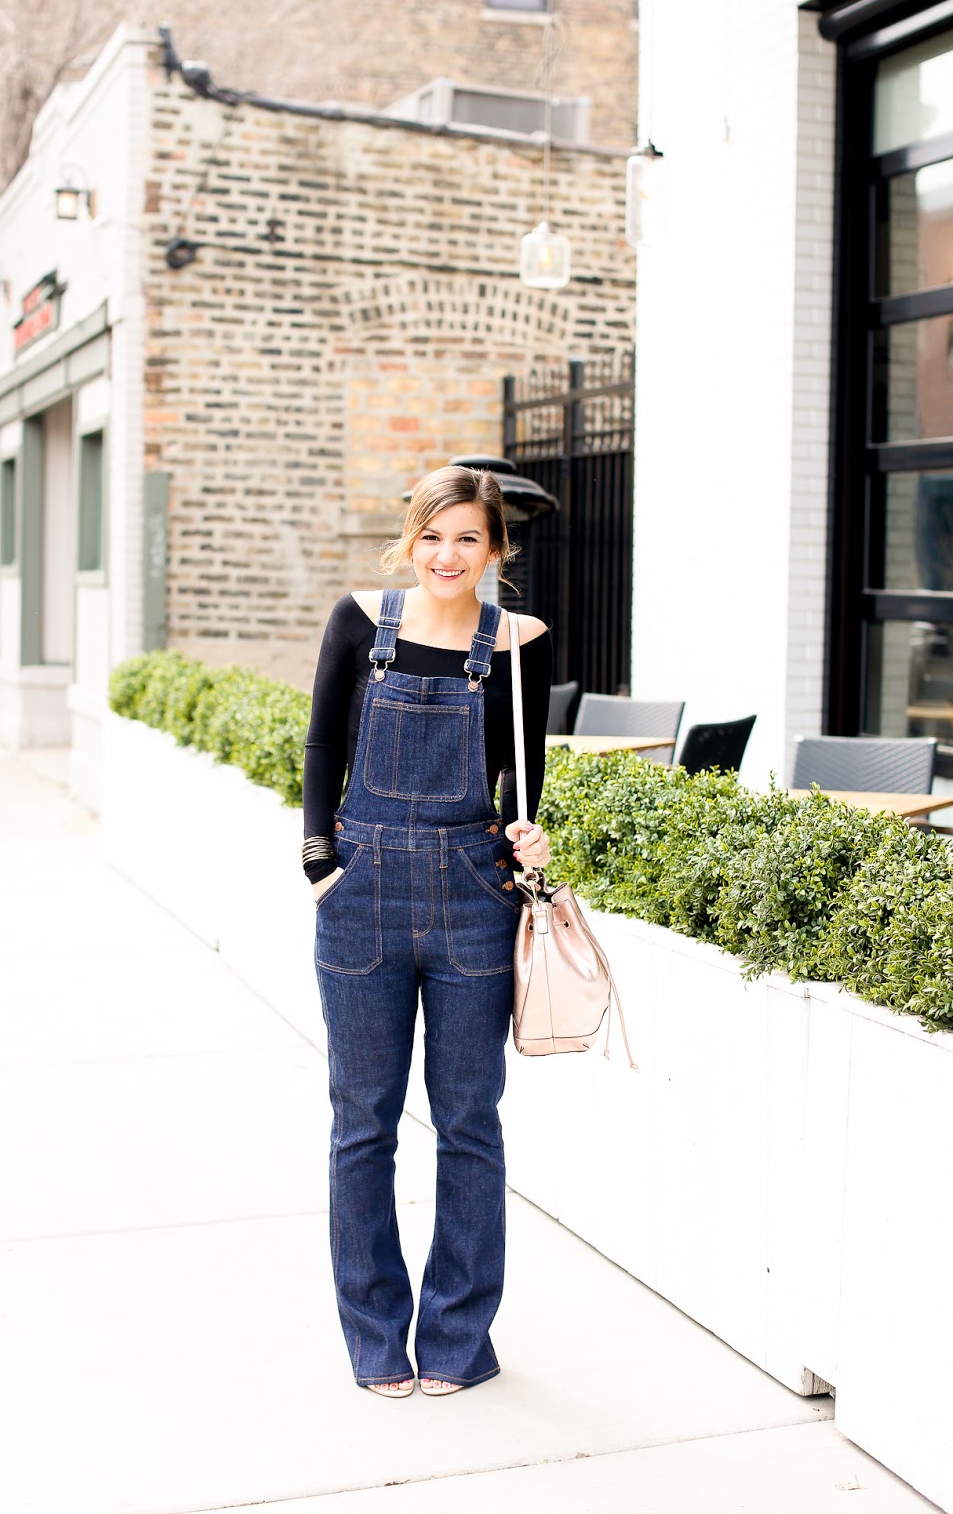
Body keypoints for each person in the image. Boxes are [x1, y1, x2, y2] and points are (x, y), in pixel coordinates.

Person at [302, 464, 553, 1399]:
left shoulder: (519, 643)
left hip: (472, 896)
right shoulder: (358, 621)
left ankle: (457, 1337)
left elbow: (524, 778)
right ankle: (374, 1335)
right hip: (361, 892)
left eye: (468, 540)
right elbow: (322, 745)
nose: (448, 556)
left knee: (468, 1123)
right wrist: (319, 863)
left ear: (495, 551)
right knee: (362, 1123)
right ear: (410, 540)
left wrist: (530, 836)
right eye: (433, 537)